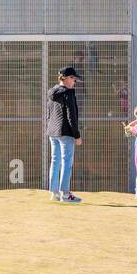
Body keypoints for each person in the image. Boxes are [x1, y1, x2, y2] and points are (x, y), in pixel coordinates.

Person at [46, 66, 82, 203]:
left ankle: (54, 193)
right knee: (66, 162)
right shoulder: (68, 93)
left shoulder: (52, 92)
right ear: (65, 78)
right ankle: (65, 194)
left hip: (52, 132)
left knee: (55, 161)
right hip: (65, 132)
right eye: (73, 78)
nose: (75, 81)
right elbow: (71, 116)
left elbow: (49, 113)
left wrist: (50, 129)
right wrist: (77, 136)